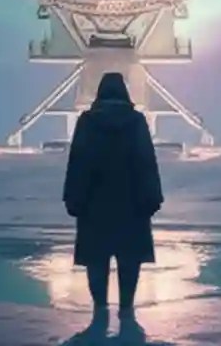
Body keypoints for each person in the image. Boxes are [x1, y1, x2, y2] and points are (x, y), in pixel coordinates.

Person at [62, 72, 164, 326]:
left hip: (95, 208)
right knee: (130, 260)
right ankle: (127, 311)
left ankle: (99, 312)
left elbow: (78, 163)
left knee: (96, 260)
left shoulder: (86, 123)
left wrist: (73, 198)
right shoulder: (137, 122)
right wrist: (152, 197)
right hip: (131, 206)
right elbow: (146, 163)